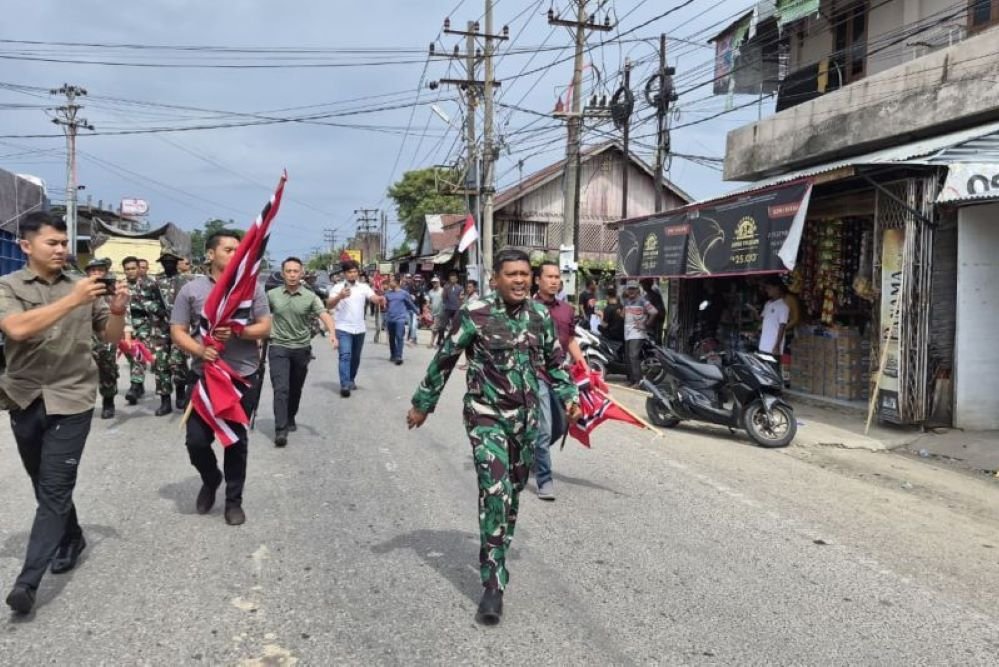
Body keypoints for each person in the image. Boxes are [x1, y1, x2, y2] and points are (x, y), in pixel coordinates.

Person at [407, 248, 581, 626]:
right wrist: (423, 403)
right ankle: (493, 583)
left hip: (526, 419)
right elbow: (445, 358)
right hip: (486, 415)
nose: (519, 280)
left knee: (512, 491)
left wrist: (570, 398)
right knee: (495, 489)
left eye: (524, 274)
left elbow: (555, 362)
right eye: (511, 274)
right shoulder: (475, 313)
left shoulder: (539, 316)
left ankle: (498, 545)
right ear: (496, 279)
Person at [0, 212, 129, 614]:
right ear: (26, 246)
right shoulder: (8, 286)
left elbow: (108, 337)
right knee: (43, 482)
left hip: (72, 398)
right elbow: (17, 329)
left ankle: (28, 582)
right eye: (52, 243)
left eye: (64, 242)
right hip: (24, 396)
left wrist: (118, 310)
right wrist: (74, 299)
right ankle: (71, 536)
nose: (61, 250)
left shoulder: (82, 287)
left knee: (55, 486)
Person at [170, 230, 272, 526]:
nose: (235, 254)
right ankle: (211, 477)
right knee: (196, 441)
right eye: (229, 249)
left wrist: (241, 331)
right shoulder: (191, 290)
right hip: (204, 377)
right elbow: (177, 330)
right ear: (211, 254)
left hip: (241, 376)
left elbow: (265, 327)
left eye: (239, 250)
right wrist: (200, 349)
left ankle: (233, 501)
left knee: (236, 443)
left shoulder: (251, 290)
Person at [267, 257, 337, 448]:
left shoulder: (310, 296)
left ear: (301, 273)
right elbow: (261, 318)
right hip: (278, 346)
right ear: (283, 274)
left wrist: (332, 333)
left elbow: (324, 314)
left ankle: (290, 417)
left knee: (295, 388)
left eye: (295, 271)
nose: (291, 275)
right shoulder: (272, 295)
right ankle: (280, 430)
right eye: (288, 271)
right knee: (281, 388)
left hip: (301, 348)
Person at [533, 261, 586, 501]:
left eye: (557, 277)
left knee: (563, 424)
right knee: (544, 429)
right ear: (538, 280)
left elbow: (570, 338)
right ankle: (545, 480)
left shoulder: (567, 310)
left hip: (560, 374)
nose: (554, 281)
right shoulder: (527, 308)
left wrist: (583, 363)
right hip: (536, 374)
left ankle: (532, 452)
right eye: (549, 277)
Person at [327, 260, 385, 398]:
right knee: (345, 356)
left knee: (355, 358)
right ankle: (344, 385)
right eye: (349, 272)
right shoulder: (337, 288)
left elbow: (373, 298)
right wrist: (340, 296)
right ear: (344, 274)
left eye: (354, 272)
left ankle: (351, 379)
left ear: (358, 273)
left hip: (359, 328)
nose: (352, 275)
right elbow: (329, 305)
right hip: (343, 328)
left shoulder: (363, 287)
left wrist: (380, 299)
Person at [84, 257, 120, 419]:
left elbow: (121, 312)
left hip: (106, 336)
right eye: (93, 270)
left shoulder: (113, 289)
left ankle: (108, 401)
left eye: (100, 270)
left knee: (107, 368)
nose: (97, 273)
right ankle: (83, 404)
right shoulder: (81, 289)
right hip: (85, 336)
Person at [622, 281, 658, 387]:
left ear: (638, 290)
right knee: (628, 357)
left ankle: (638, 381)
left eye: (633, 289)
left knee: (633, 356)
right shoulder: (627, 301)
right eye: (629, 289)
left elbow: (654, 312)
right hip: (628, 332)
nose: (631, 291)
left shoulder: (643, 301)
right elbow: (623, 315)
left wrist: (646, 324)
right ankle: (632, 380)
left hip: (637, 333)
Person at [383, 276, 419, 365]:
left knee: (399, 336)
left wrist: (417, 312)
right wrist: (382, 304)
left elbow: (410, 303)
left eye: (391, 281)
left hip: (400, 318)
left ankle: (399, 356)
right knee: (391, 338)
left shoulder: (404, 293)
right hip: (390, 318)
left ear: (396, 282)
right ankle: (393, 354)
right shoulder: (387, 293)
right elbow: (384, 304)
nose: (389, 284)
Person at [759, 278, 790, 361]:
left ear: (777, 288)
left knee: (771, 371)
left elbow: (782, 327)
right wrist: (754, 311)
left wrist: (777, 346)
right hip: (763, 345)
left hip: (773, 348)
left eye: (769, 288)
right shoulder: (767, 304)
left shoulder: (783, 307)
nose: (767, 291)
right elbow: (762, 320)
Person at [640, 278, 666, 346]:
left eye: (644, 284)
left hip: (654, 324)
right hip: (648, 324)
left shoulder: (655, 296)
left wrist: (649, 322)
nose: (643, 286)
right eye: (642, 284)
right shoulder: (645, 296)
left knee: (655, 342)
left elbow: (660, 312)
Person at [440, 270, 463, 346]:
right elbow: (443, 298)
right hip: (447, 308)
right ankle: (441, 338)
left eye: (454, 279)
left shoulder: (460, 288)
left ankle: (450, 340)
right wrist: (445, 291)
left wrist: (460, 307)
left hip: (456, 309)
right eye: (451, 279)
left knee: (454, 326)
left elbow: (461, 298)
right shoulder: (446, 287)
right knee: (442, 326)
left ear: (457, 279)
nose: (452, 280)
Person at [427, 276, 444, 348]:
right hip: (433, 312)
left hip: (441, 312)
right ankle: (440, 343)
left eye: (436, 282)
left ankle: (432, 342)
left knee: (434, 328)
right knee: (439, 329)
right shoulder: (430, 291)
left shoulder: (442, 291)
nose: (434, 284)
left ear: (439, 282)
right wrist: (428, 305)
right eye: (433, 282)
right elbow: (428, 301)